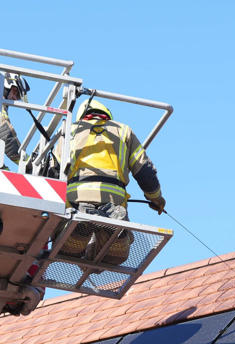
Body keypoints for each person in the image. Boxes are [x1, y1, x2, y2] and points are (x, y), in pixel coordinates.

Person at [54, 99, 166, 265]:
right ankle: (116, 231)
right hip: (113, 202)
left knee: (65, 246)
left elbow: (53, 172)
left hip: (76, 200)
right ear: (106, 114)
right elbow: (144, 171)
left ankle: (79, 228)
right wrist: (156, 199)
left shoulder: (69, 131)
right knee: (118, 254)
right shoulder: (123, 131)